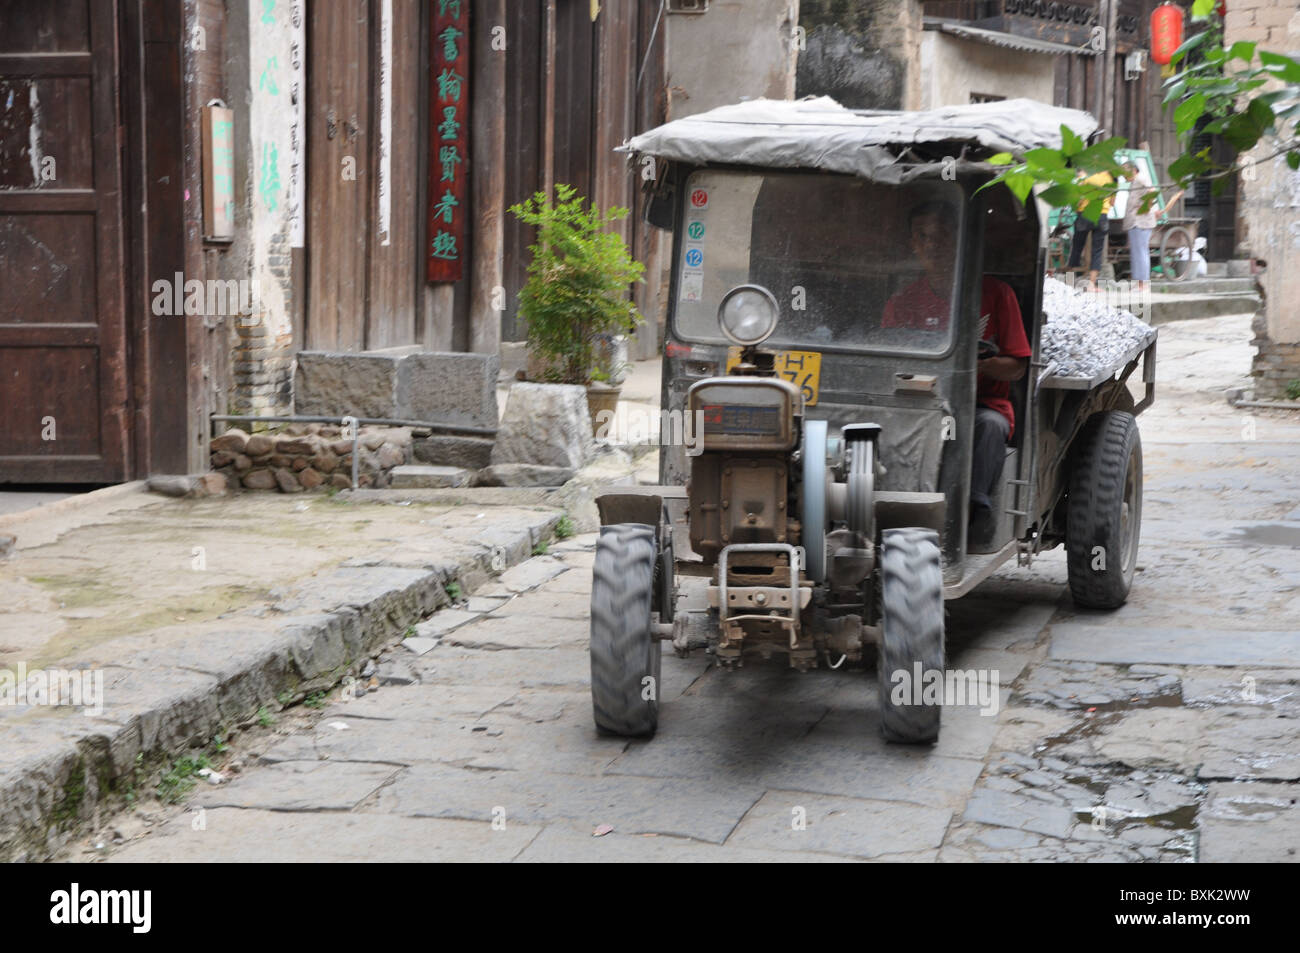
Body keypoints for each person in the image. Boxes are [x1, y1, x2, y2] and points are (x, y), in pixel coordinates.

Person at [883, 201, 1032, 547]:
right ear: (913, 244)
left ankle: (972, 513)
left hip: (980, 406)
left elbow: (1018, 365)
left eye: (941, 236)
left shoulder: (997, 293)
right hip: (916, 410)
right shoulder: (902, 301)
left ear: (959, 239)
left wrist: (982, 365)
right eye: (923, 237)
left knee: (990, 426)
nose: (932, 244)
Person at [1121, 160, 1183, 292]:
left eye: (1124, 170)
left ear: (1133, 170)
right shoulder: (1133, 183)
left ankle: (1144, 284)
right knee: (1136, 253)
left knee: (1141, 252)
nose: (1122, 174)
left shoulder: (1141, 179)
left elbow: (1152, 192)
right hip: (1135, 222)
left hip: (1141, 221)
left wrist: (1148, 209)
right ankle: (1138, 283)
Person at [1066, 168, 1115, 290]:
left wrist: (1078, 207)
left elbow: (1079, 197)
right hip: (1102, 216)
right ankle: (1091, 284)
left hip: (1085, 214)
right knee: (1097, 251)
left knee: (1077, 247)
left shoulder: (1087, 176)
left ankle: (1069, 282)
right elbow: (1113, 203)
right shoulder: (1113, 180)